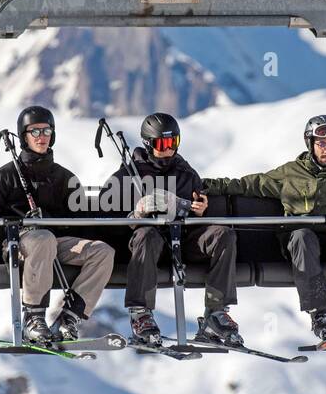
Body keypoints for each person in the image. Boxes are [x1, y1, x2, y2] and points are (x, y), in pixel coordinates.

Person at [201, 115, 326, 343]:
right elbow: (246, 185)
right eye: (321, 144)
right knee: (301, 236)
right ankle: (319, 313)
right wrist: (204, 185)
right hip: (305, 245)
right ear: (310, 144)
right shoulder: (291, 174)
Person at [99, 113, 242, 348]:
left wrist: (200, 210)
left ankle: (215, 313)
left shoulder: (186, 172)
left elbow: (199, 200)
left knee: (223, 234)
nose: (169, 150)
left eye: (173, 143)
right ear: (148, 143)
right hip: (149, 246)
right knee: (147, 234)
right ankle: (141, 314)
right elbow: (105, 210)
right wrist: (136, 214)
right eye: (162, 144)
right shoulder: (130, 173)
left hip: (183, 240)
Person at [0, 105, 114, 343]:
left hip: (54, 242)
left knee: (102, 252)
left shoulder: (64, 178)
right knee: (42, 239)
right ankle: (33, 318)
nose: (42, 137)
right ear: (24, 136)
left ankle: (69, 318)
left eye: (47, 131)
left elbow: (79, 219)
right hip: (19, 244)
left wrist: (55, 221)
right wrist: (20, 226)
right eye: (35, 132)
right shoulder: (5, 177)